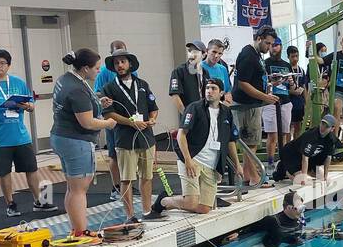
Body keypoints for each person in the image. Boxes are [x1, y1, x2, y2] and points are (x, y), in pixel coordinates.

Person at [50, 48, 118, 240]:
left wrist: (96, 101)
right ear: (86, 68)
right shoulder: (77, 89)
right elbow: (87, 122)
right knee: (80, 189)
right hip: (76, 141)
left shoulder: (67, 79)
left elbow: (80, 103)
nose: (99, 71)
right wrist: (108, 123)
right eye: (96, 68)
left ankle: (75, 229)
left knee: (73, 188)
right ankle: (81, 232)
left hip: (61, 137)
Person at [148, 77, 239, 218]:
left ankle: (170, 202)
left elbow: (231, 141)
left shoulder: (226, 113)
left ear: (221, 93)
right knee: (191, 203)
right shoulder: (195, 108)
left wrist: (237, 165)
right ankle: (163, 201)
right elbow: (181, 135)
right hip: (193, 159)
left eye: (213, 88)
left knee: (204, 208)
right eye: (207, 88)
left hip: (212, 164)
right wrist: (188, 160)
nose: (209, 91)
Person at [0, 48, 54, 218]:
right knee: (4, 172)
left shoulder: (17, 82)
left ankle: (39, 200)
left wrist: (29, 106)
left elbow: (30, 104)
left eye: (2, 63)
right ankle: (10, 203)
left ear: (8, 66)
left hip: (21, 135)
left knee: (31, 169)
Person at [98, 48, 158, 223]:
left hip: (146, 137)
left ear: (130, 63)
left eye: (123, 62)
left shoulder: (143, 85)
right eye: (116, 63)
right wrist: (132, 122)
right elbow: (108, 114)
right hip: (125, 139)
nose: (120, 65)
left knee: (147, 176)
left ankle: (147, 211)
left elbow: (153, 108)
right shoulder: (108, 88)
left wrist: (152, 119)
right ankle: (130, 215)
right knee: (127, 178)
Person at [231, 25, 279, 169]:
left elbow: (254, 79)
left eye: (271, 44)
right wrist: (264, 97)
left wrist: (271, 83)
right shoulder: (248, 55)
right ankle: (252, 176)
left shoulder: (256, 55)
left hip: (253, 104)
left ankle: (249, 175)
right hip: (246, 105)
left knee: (251, 143)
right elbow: (243, 84)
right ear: (259, 38)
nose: (270, 47)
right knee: (250, 142)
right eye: (267, 43)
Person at [94, 40, 129, 194]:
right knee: (114, 154)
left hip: (130, 118)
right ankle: (116, 187)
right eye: (117, 59)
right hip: (113, 118)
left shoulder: (132, 72)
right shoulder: (104, 72)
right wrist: (105, 100)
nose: (120, 64)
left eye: (123, 58)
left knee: (129, 153)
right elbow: (96, 93)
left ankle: (127, 184)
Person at [271, 114, 339, 184]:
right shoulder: (311, 135)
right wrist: (304, 177)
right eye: (322, 124)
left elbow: (328, 157)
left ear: (332, 129)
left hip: (308, 156)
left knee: (323, 178)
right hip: (291, 155)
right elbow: (305, 157)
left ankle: (293, 170)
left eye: (326, 126)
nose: (323, 128)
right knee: (301, 181)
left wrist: (325, 175)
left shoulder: (331, 139)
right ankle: (284, 168)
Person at [263, 37, 295, 159]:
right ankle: (271, 162)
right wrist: (273, 82)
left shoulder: (287, 65)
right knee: (273, 135)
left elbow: (293, 88)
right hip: (270, 102)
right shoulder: (264, 63)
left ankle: (284, 160)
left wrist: (291, 82)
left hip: (285, 102)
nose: (274, 48)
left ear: (281, 46)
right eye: (271, 45)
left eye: (276, 45)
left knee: (285, 134)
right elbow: (262, 84)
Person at [169, 40, 207, 118]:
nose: (191, 55)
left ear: (203, 55)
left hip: (204, 116)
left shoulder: (206, 73)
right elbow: (175, 96)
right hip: (189, 116)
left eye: (195, 52)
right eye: (189, 51)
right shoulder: (179, 71)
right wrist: (186, 115)